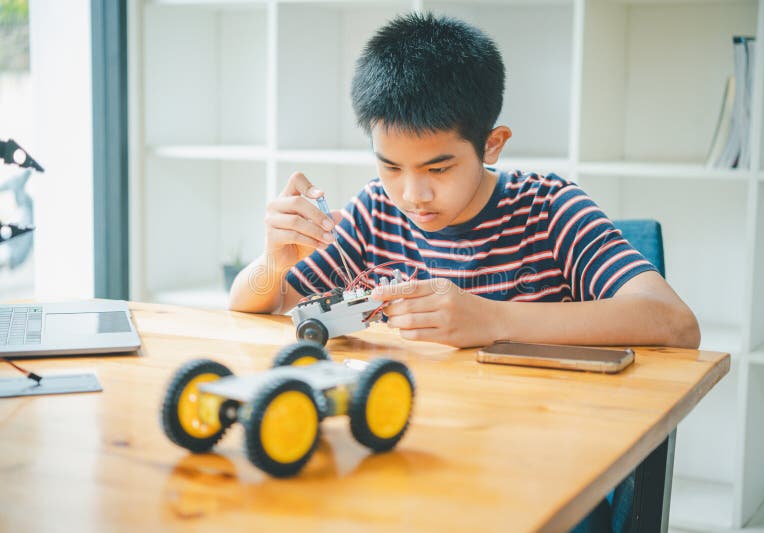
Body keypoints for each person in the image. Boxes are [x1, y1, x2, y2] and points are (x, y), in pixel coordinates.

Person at [228, 12, 700, 352]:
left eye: (438, 169)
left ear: (491, 145)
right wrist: (275, 261)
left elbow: (675, 323)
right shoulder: (375, 211)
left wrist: (492, 318)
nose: (412, 196)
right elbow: (261, 306)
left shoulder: (549, 209)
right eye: (391, 167)